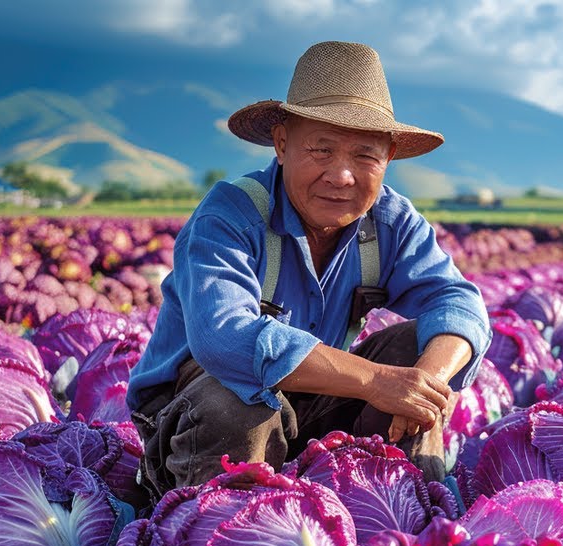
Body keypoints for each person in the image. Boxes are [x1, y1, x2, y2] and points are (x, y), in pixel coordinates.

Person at [126, 40, 491, 495]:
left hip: (313, 407)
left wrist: (425, 384)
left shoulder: (390, 222)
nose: (342, 175)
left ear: (388, 159)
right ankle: (213, 523)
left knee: (417, 353)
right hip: (194, 414)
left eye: (364, 155)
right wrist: (377, 381)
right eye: (321, 150)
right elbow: (224, 337)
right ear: (282, 144)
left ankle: (403, 517)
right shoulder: (231, 216)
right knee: (239, 403)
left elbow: (458, 302)